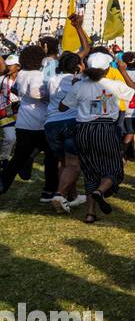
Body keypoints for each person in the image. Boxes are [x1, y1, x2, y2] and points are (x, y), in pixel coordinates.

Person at [60, 51, 135, 223]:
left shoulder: (79, 85)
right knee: (114, 168)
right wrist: (124, 72)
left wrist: (75, 88)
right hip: (105, 129)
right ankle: (100, 191)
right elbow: (134, 91)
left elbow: (62, 107)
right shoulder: (113, 84)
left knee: (90, 172)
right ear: (107, 68)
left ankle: (90, 213)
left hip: (83, 130)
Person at [0, 38, 73, 200]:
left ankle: (3, 183)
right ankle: (49, 190)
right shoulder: (38, 75)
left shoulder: (22, 73)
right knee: (51, 159)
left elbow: (16, 89)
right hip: (40, 120)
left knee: (18, 157)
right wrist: (49, 95)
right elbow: (36, 93)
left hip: (24, 121)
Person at [46, 50, 89, 212]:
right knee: (74, 164)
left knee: (64, 164)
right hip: (71, 122)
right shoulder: (80, 80)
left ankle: (73, 196)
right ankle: (59, 195)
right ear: (78, 66)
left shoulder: (51, 79)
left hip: (51, 124)